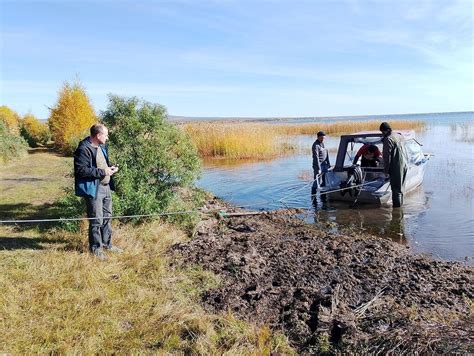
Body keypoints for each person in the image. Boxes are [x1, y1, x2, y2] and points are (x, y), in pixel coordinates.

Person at [74, 123, 122, 260]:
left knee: (107, 217)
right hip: (94, 189)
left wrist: (110, 169)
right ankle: (96, 249)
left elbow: (101, 164)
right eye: (106, 135)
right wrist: (103, 171)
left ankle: (107, 245)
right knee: (96, 219)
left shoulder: (101, 147)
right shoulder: (83, 149)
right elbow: (81, 170)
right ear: (99, 135)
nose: (107, 138)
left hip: (106, 187)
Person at [380, 122, 408, 208]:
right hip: (404, 165)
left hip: (396, 167)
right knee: (401, 189)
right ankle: (400, 210)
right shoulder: (399, 136)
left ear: (387, 130)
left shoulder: (388, 140)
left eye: (383, 132)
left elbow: (386, 157)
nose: (382, 134)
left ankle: (397, 212)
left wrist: (386, 171)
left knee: (396, 190)